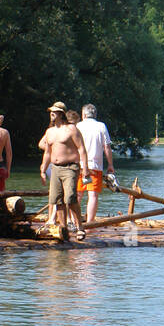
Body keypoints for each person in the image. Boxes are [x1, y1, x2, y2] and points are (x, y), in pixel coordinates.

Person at [40, 101, 91, 239]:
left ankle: (80, 227)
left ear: (61, 114)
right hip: (55, 168)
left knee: (70, 197)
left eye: (55, 111)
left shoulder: (71, 129)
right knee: (57, 200)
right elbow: (48, 153)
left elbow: (82, 149)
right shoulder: (49, 131)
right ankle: (64, 229)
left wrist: (85, 168)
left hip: (70, 167)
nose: (52, 113)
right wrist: (43, 169)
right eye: (51, 111)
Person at [76, 103, 115, 224]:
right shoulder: (101, 126)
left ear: (83, 114)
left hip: (79, 165)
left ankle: (73, 220)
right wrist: (110, 165)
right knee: (92, 196)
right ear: (95, 114)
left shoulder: (78, 126)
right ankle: (90, 222)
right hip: (95, 166)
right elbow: (107, 147)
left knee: (77, 194)